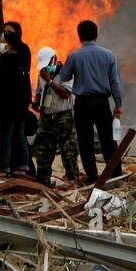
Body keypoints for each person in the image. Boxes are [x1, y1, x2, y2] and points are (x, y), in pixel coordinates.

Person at [58, 20, 125, 182]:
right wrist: (118, 104)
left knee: (85, 141)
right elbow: (115, 82)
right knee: (108, 140)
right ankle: (115, 174)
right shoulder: (108, 55)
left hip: (83, 104)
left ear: (79, 36)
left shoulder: (74, 56)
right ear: (96, 34)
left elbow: (64, 77)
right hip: (102, 103)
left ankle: (92, 176)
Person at [32, 46, 81, 186]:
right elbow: (40, 91)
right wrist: (36, 101)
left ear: (54, 59)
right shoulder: (42, 73)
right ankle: (43, 181)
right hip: (47, 117)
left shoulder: (66, 72)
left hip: (63, 116)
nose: (46, 68)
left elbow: (66, 94)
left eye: (48, 64)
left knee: (68, 150)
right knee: (43, 150)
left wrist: (50, 81)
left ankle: (73, 180)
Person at [0, 20, 32, 176]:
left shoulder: (9, 55)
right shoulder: (24, 50)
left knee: (6, 134)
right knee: (19, 133)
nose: (6, 34)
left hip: (8, 101)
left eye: (9, 31)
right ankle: (22, 165)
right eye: (5, 31)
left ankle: (4, 167)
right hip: (21, 99)